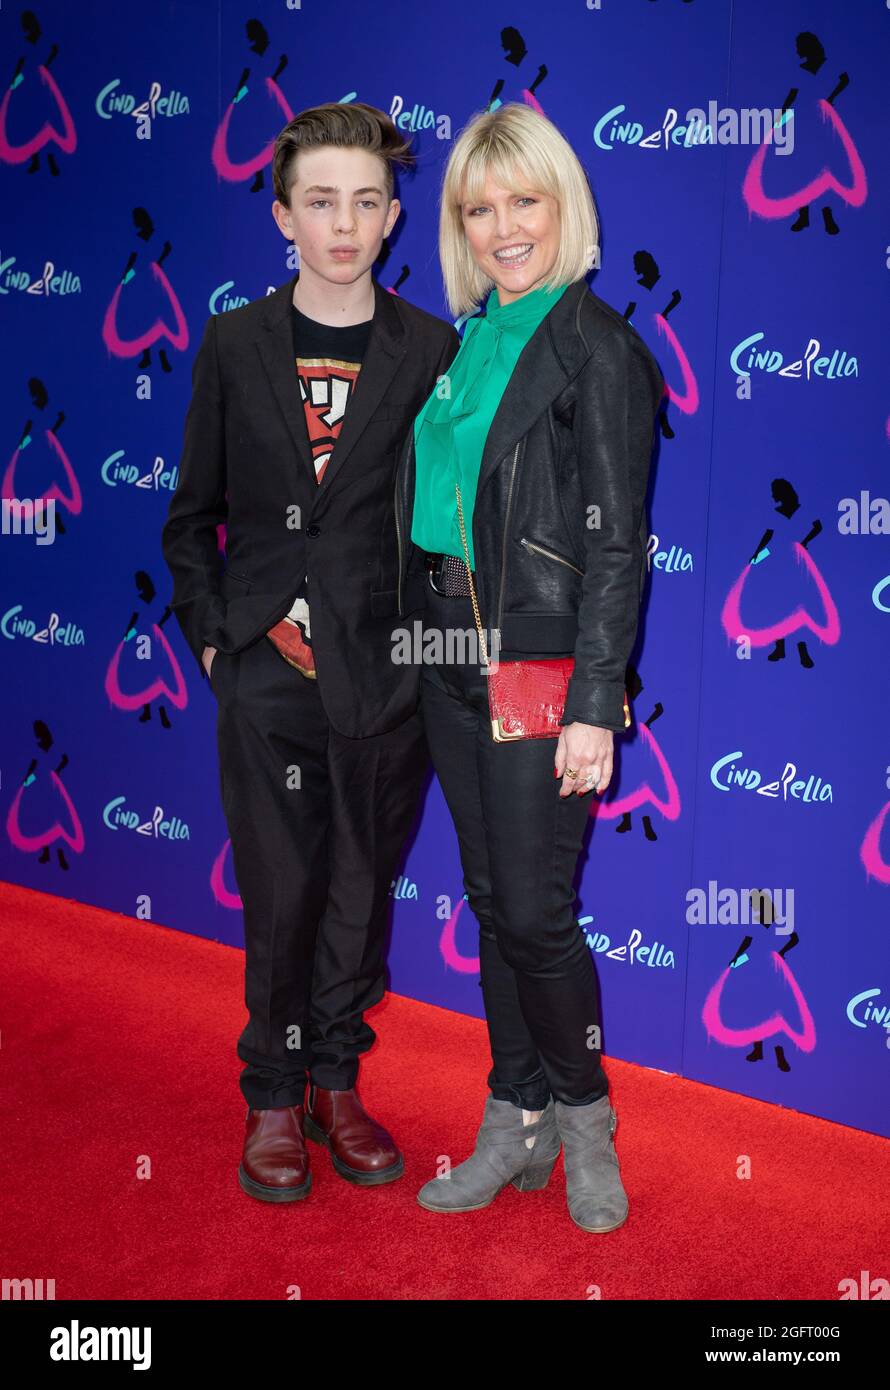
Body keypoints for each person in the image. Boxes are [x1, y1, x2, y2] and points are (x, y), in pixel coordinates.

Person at [162, 102, 459, 1203]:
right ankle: (273, 1096)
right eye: (321, 200)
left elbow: (440, 531)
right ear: (283, 213)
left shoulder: (429, 350)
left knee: (357, 891)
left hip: (380, 680)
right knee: (281, 892)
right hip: (261, 674)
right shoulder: (234, 342)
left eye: (367, 201)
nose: (345, 222)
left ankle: (338, 1082)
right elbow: (190, 516)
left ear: (392, 218)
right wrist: (211, 638)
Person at [397, 103, 664, 1233]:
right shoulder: (465, 340)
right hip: (444, 655)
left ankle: (586, 1116)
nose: (502, 226)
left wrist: (593, 705)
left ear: (562, 206)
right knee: (494, 901)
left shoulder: (596, 347)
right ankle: (515, 1116)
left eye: (523, 201)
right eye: (478, 207)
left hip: (536, 669)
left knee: (537, 912)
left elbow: (615, 547)